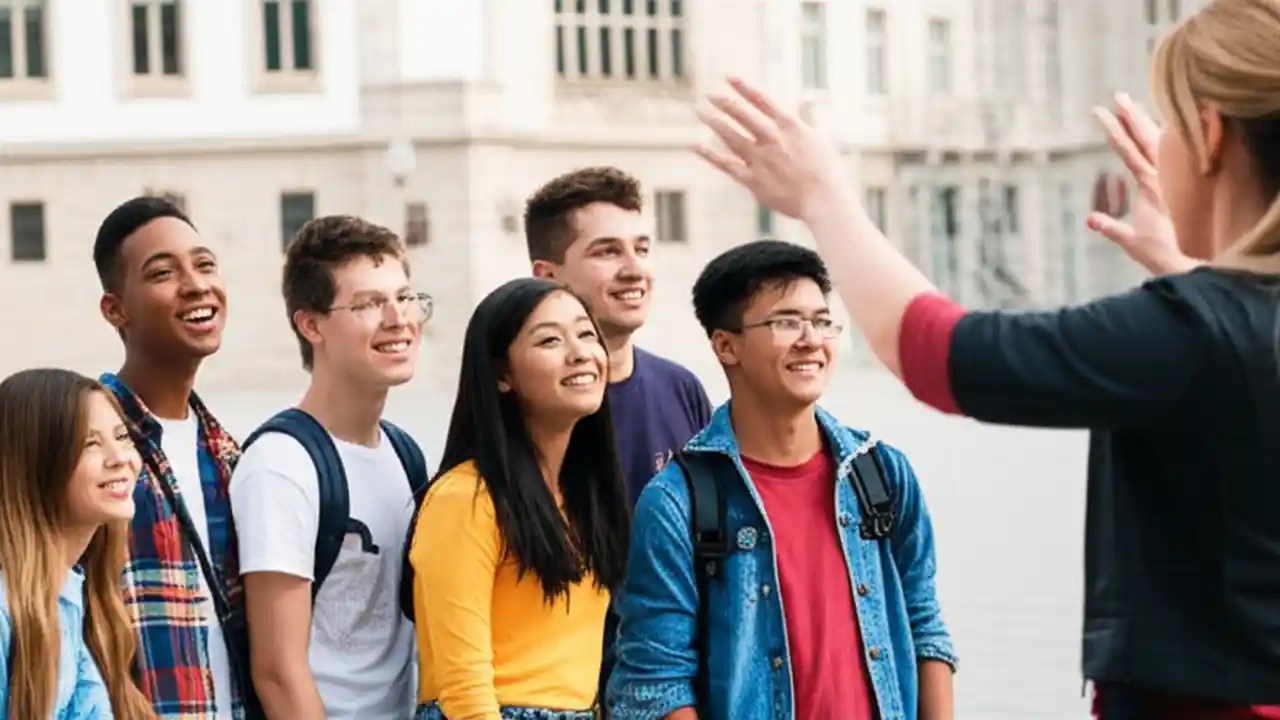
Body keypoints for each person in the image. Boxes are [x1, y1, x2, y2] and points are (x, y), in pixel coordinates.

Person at [691, 0, 1280, 716]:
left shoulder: (1193, 332)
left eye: (1172, 131)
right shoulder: (1211, 324)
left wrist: (822, 195)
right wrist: (1197, 280)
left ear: (1212, 137)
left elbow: (940, 353)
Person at [606, 241, 955, 720]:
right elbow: (656, 682)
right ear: (726, 345)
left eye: (821, 320)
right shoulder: (678, 502)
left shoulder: (880, 474)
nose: (811, 339)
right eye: (786, 322)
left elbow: (925, 628)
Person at [229, 216, 429, 720]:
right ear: (310, 324)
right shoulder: (281, 464)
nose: (398, 319)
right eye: (368, 304)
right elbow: (277, 671)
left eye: (404, 298)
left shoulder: (405, 455)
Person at [406, 277, 631, 720]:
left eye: (587, 334)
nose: (580, 352)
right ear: (501, 375)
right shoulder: (465, 498)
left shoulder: (584, 497)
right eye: (550, 340)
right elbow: (464, 689)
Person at [93, 196, 250, 719]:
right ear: (116, 309)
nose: (196, 284)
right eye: (163, 273)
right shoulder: (87, 444)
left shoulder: (229, 453)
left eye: (204, 264)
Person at [524, 166, 713, 501]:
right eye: (607, 252)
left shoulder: (682, 390)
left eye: (641, 249)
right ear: (548, 276)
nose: (634, 269)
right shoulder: (528, 404)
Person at [0, 368, 155, 720]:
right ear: (36, 463)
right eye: (90, 444)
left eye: (122, 437)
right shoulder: (7, 612)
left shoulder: (70, 598)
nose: (120, 459)